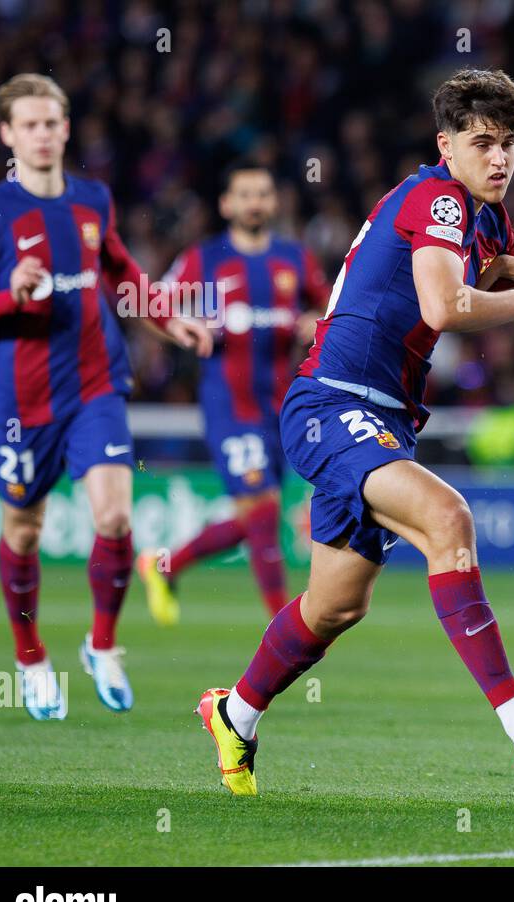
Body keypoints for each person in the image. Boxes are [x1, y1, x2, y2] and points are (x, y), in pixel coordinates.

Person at [195, 69, 514, 796]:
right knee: (447, 516)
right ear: (445, 145)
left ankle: (235, 711)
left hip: (380, 418)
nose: (500, 158)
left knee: (335, 605)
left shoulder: (483, 219)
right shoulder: (437, 199)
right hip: (331, 402)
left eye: (509, 143)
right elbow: (446, 306)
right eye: (484, 142)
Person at [0, 74, 211, 720]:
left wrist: (169, 317)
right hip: (23, 399)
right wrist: (7, 297)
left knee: (115, 518)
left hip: (97, 383)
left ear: (66, 128)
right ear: (8, 133)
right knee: (22, 531)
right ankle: (29, 657)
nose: (43, 134)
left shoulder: (93, 199)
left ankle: (102, 645)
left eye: (53, 123)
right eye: (30, 124)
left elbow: (122, 271)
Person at [136, 160, 331, 622]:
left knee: (257, 518)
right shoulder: (205, 258)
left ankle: (165, 566)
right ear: (226, 204)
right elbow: (151, 306)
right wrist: (182, 330)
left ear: (274, 201)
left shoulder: (294, 257)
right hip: (228, 403)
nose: (255, 202)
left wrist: (314, 320)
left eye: (263, 193)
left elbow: (330, 305)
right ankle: (283, 625)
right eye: (244, 194)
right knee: (260, 509)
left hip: (282, 406)